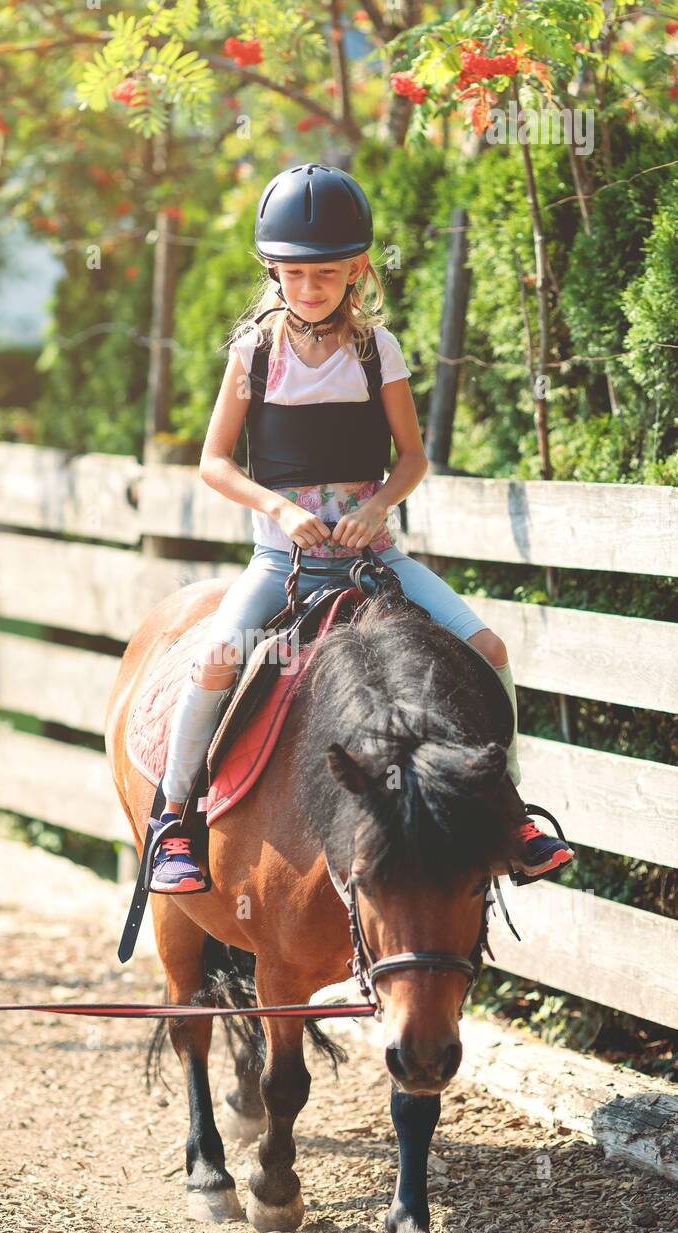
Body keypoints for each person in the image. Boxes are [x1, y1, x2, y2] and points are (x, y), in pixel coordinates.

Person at [147, 162, 574, 893]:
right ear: (272, 271)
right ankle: (174, 821)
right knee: (216, 661)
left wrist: (379, 509)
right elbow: (214, 462)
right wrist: (280, 509)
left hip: (373, 559)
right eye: (294, 275)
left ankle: (512, 814)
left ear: (357, 272)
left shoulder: (380, 350)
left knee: (489, 647)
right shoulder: (253, 353)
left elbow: (412, 458)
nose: (309, 290)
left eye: (328, 275)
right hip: (282, 564)